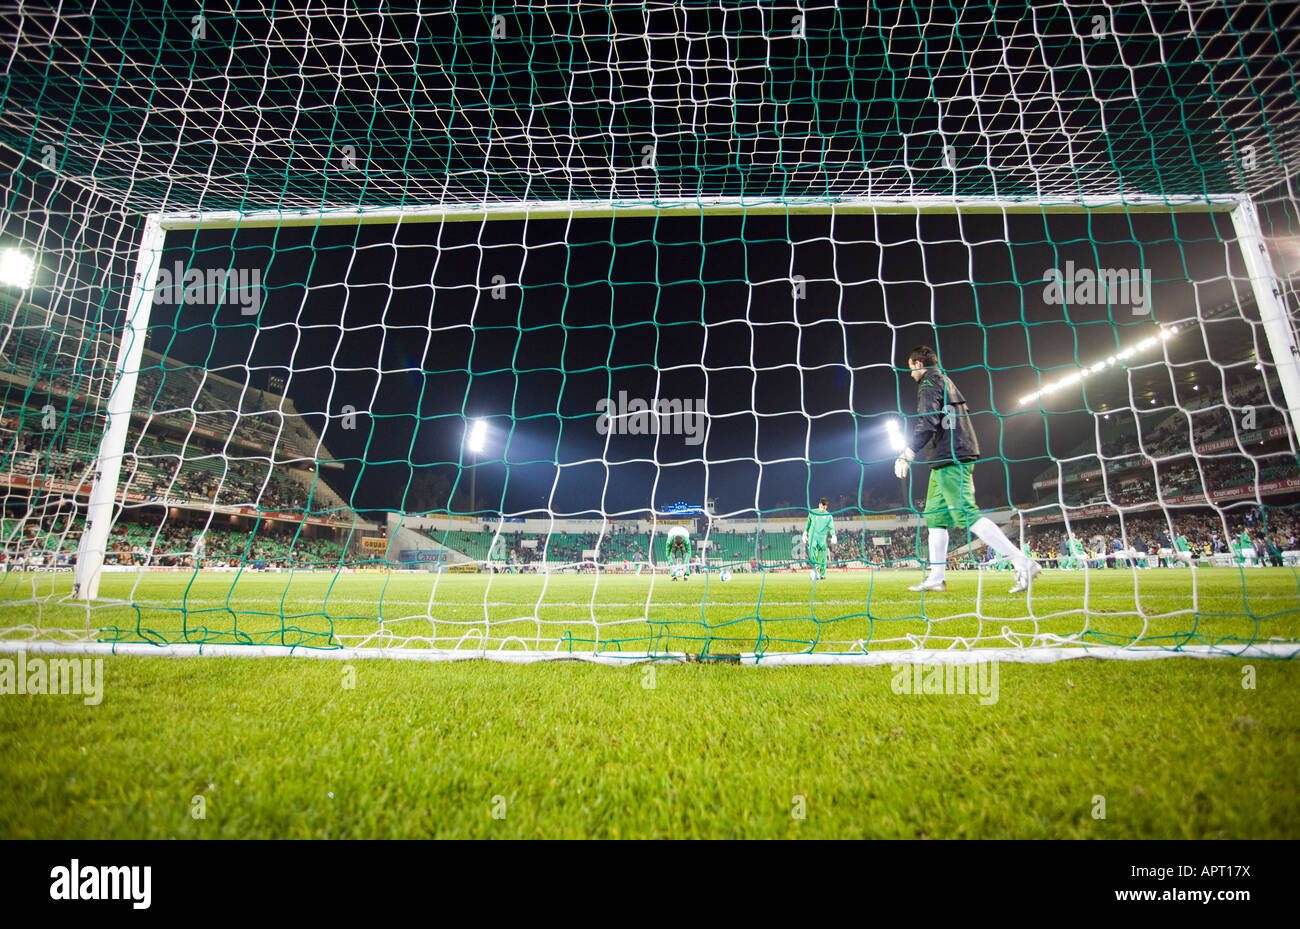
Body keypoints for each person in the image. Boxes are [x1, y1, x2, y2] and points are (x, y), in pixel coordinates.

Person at [894, 345, 1039, 594]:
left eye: (910, 368)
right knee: (935, 516)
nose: (910, 374)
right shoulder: (947, 382)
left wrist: (907, 453)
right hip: (947, 457)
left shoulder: (929, 382)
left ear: (918, 364)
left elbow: (928, 421)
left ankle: (1023, 562)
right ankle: (937, 578)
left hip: (951, 456)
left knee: (966, 515)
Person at [803, 497, 837, 580]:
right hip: (813, 536)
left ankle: (822, 574)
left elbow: (831, 526)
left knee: (823, 555)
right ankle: (816, 565)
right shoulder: (812, 512)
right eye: (822, 507)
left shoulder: (828, 515)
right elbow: (808, 523)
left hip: (822, 537)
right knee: (811, 549)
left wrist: (833, 535)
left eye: (824, 508)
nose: (823, 509)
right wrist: (805, 532)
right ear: (819, 505)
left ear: (826, 507)